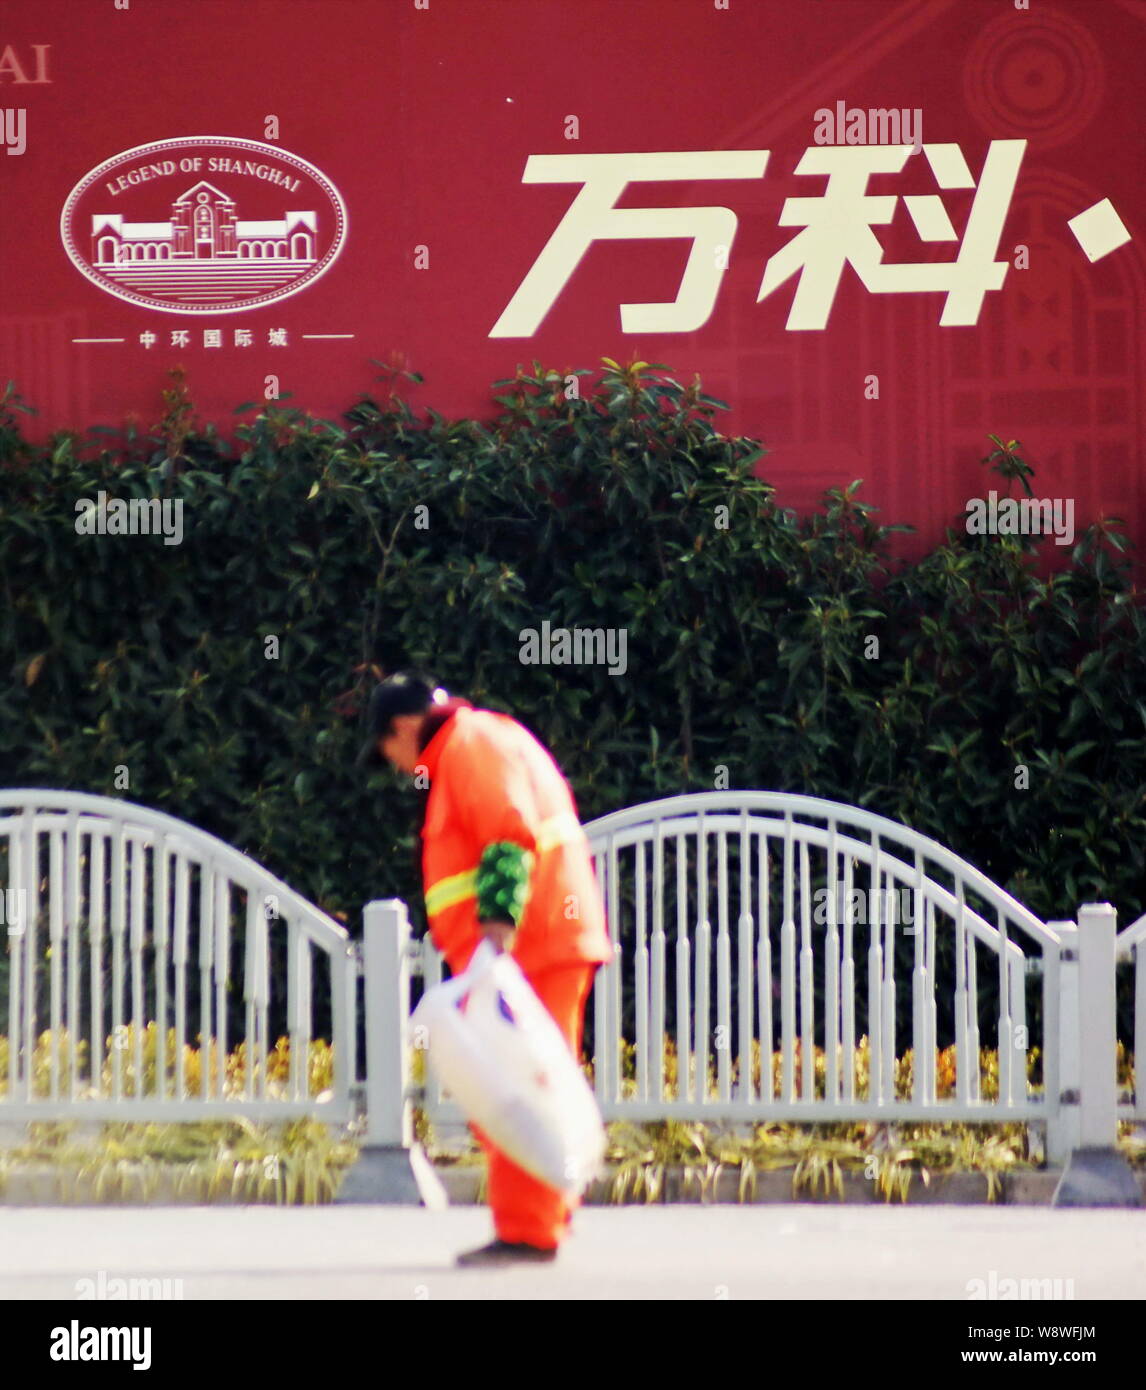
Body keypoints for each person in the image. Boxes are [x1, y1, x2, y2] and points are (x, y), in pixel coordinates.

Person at [357, 670, 612, 1266]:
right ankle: (537, 1222)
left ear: (402, 727)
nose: (395, 766)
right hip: (533, 945)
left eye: (388, 750)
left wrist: (496, 938)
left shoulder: (472, 745)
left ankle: (529, 1233)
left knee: (519, 1089)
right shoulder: (475, 745)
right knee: (519, 1086)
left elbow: (508, 834)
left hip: (530, 948)